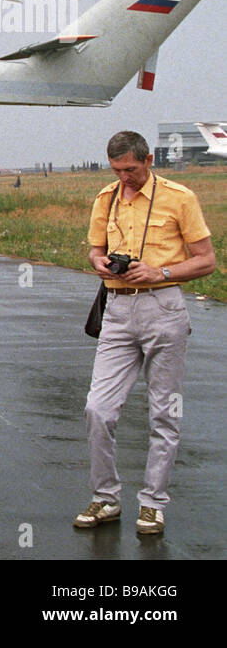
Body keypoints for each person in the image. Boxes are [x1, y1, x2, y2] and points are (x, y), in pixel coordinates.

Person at [73, 131, 215, 536]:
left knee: (163, 413)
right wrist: (99, 261)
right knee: (97, 409)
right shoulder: (106, 198)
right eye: (117, 170)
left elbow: (206, 261)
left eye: (131, 169)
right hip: (117, 311)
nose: (125, 178)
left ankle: (153, 503)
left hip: (163, 308)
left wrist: (160, 272)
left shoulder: (179, 198)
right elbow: (94, 249)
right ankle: (105, 496)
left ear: (148, 160)